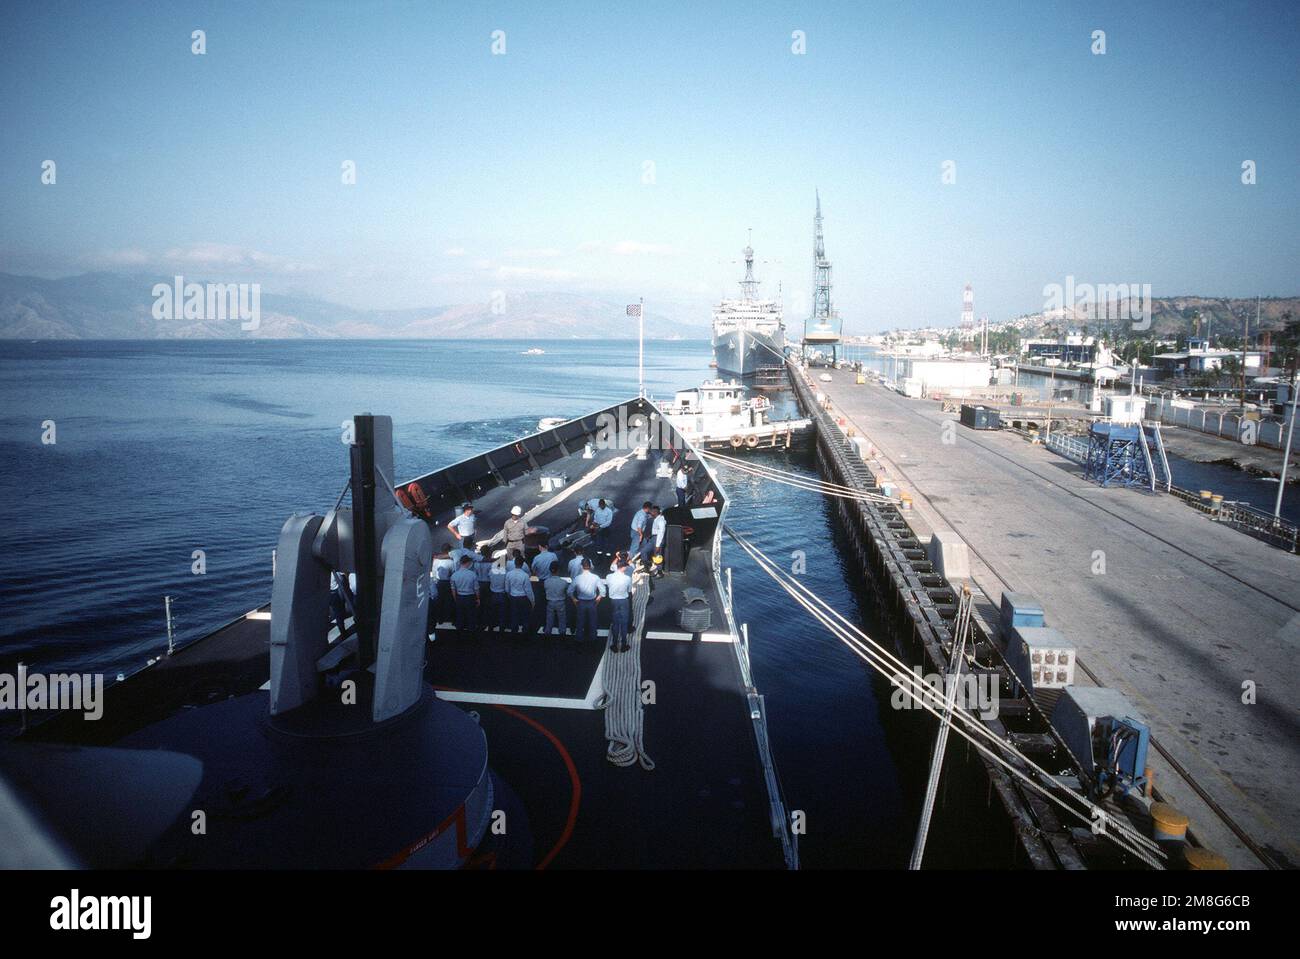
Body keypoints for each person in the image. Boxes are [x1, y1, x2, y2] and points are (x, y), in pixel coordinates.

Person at [567, 558, 604, 644]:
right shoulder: (595, 577)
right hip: (592, 602)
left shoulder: (577, 578)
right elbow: (603, 591)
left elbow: (569, 591)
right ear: (590, 566)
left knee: (580, 622)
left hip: (581, 602)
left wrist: (574, 599)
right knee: (593, 621)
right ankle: (593, 639)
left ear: (581, 566)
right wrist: (598, 600)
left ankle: (579, 639)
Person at [605, 558, 633, 652]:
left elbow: (608, 586)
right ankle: (624, 644)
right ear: (623, 567)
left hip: (613, 601)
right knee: (624, 623)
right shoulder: (627, 578)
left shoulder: (609, 576)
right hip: (624, 600)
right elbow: (629, 591)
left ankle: (614, 644)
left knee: (615, 623)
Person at [450, 555, 479, 638]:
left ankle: (459, 635)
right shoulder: (472, 574)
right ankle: (471, 636)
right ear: (468, 563)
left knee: (460, 616)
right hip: (470, 597)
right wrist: (478, 598)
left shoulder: (454, 575)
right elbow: (476, 589)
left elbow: (453, 589)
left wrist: (456, 598)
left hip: (459, 596)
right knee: (471, 617)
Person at [504, 552, 533, 633]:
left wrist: (509, 596)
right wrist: (532, 601)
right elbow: (528, 590)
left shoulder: (509, 574)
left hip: (513, 597)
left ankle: (514, 634)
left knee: (514, 616)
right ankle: (525, 633)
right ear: (522, 564)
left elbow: (507, 588)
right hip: (523, 597)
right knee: (525, 616)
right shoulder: (525, 576)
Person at [543, 561, 570, 636]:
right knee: (562, 619)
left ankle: (548, 632)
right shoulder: (563, 582)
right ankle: (562, 632)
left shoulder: (546, 582)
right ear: (559, 570)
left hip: (550, 601)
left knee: (549, 619)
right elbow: (567, 592)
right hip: (560, 602)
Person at [431, 543, 455, 626]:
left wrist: (435, 580)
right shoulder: (451, 561)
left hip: (439, 582)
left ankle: (440, 618)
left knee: (439, 600)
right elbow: (453, 572)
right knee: (449, 600)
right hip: (447, 582)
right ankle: (449, 617)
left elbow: (434, 571)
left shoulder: (436, 560)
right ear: (449, 551)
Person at [486, 554, 508, 632]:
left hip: (493, 593)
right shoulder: (505, 572)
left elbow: (489, 577)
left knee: (492, 612)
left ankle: (491, 627)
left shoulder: (492, 570)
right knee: (502, 613)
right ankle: (502, 628)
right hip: (502, 594)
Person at [649, 504, 667, 577]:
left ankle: (660, 572)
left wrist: (657, 545)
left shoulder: (661, 520)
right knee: (656, 555)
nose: (651, 513)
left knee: (658, 556)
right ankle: (656, 570)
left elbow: (661, 533)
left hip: (658, 540)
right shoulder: (657, 518)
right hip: (655, 538)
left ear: (655, 512)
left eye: (652, 512)